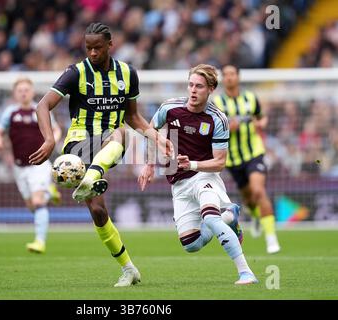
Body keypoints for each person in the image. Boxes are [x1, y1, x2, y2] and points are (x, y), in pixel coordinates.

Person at [29, 22, 171, 287]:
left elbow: (132, 117)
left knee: (121, 132)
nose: (92, 53)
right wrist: (49, 139)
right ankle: (129, 269)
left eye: (97, 48)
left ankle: (89, 178)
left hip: (109, 142)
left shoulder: (128, 74)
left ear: (110, 44)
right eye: (88, 48)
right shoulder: (75, 73)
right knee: (98, 211)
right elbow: (42, 105)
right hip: (78, 145)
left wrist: (157, 136)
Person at [138, 64, 258, 285]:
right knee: (191, 244)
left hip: (204, 176)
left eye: (199, 86)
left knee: (210, 218)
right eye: (191, 85)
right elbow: (150, 132)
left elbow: (220, 163)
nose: (193, 90)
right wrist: (149, 164)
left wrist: (192, 164)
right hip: (178, 182)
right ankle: (229, 216)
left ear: (211, 89)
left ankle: (246, 272)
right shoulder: (169, 108)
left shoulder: (217, 119)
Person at [213, 64, 280, 254]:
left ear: (238, 77)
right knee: (249, 199)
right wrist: (227, 129)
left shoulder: (250, 98)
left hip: (253, 153)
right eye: (225, 75)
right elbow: (213, 128)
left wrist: (261, 122)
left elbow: (261, 117)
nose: (229, 78)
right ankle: (257, 216)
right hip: (232, 159)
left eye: (232, 74)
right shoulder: (217, 103)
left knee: (258, 191)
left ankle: (271, 238)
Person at [0, 78, 62, 254]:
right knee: (32, 205)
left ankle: (40, 241)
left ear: (32, 92)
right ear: (15, 93)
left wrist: (53, 139)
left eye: (26, 89)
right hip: (19, 167)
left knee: (37, 202)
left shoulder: (40, 110)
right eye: (20, 90)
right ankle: (49, 192)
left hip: (39, 164)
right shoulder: (10, 112)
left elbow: (55, 129)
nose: (23, 92)